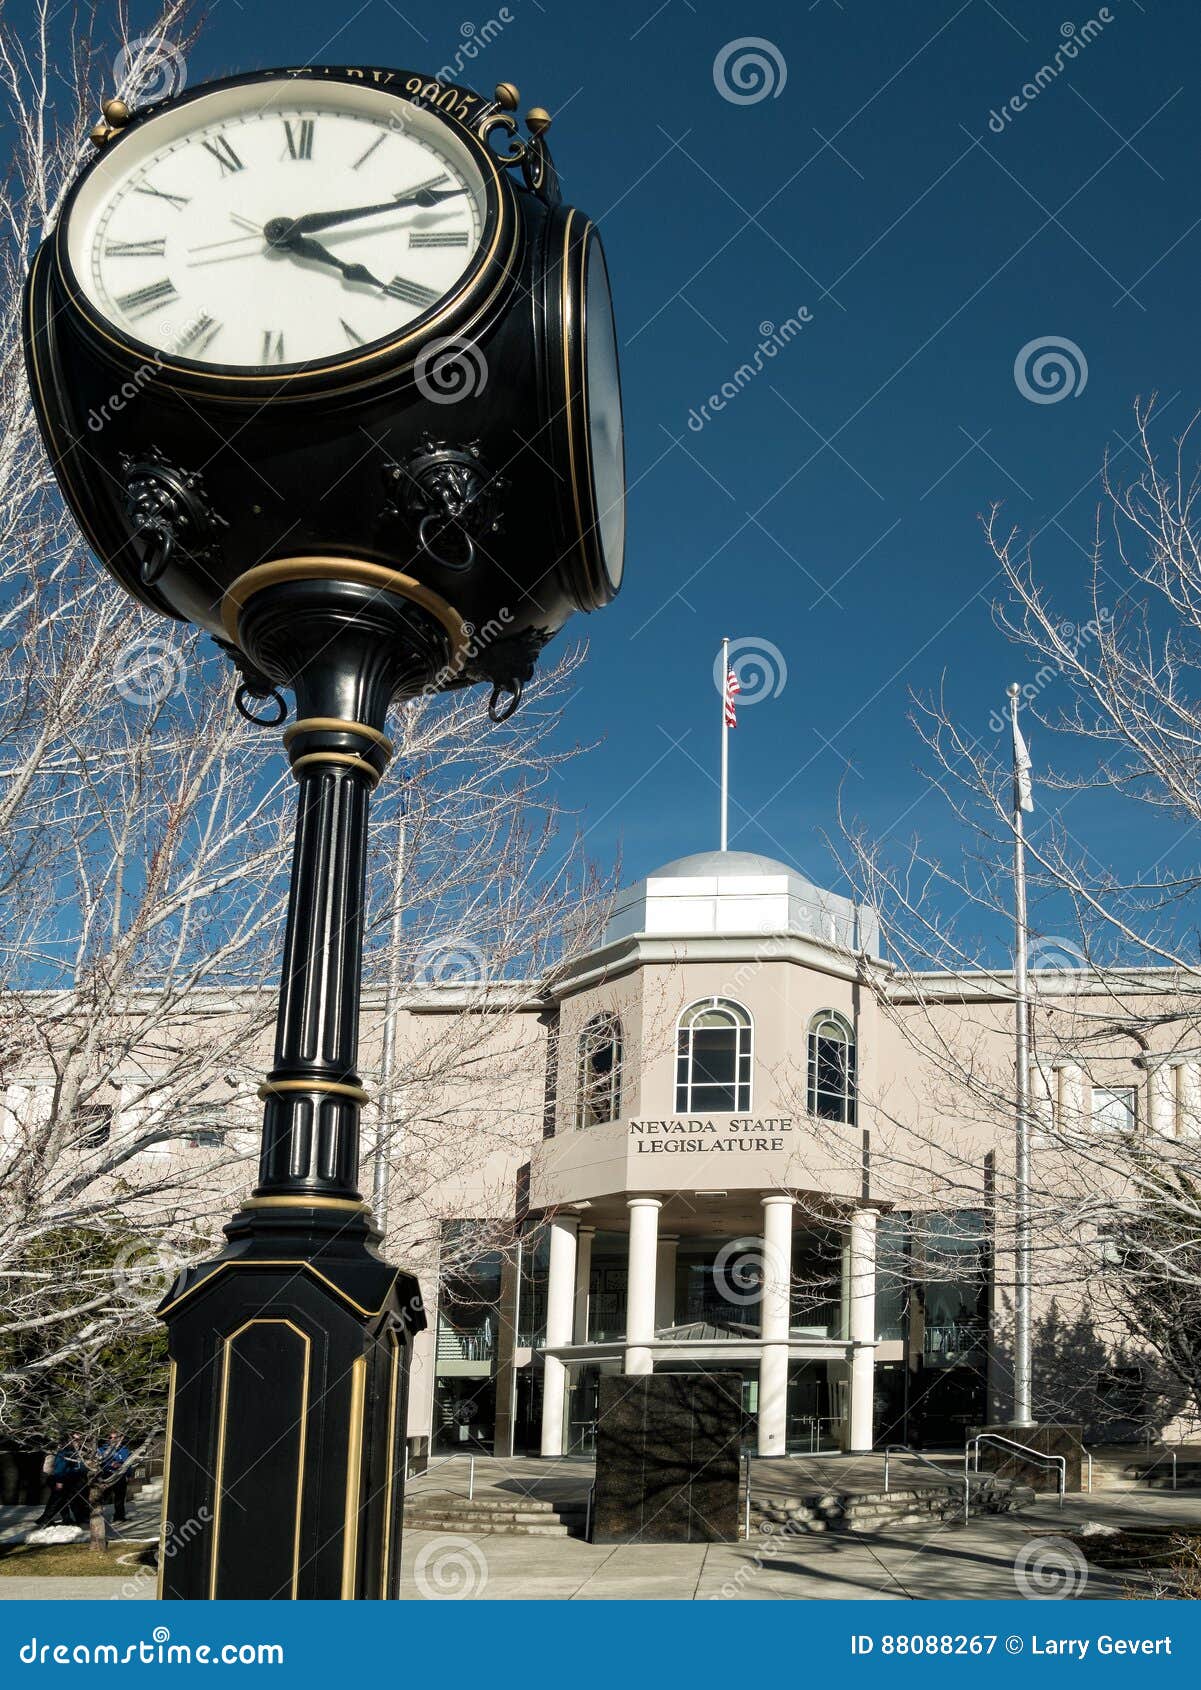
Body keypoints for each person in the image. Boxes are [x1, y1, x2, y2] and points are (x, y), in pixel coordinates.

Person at [34, 1434, 89, 1527]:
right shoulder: (64, 1452)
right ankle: (45, 1520)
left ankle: (79, 1518)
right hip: (61, 1479)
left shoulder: (78, 1452)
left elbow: (81, 1467)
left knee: (74, 1500)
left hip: (74, 1480)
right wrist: (59, 1481)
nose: (77, 1442)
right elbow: (59, 1468)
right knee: (57, 1501)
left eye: (79, 1440)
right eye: (74, 1440)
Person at [97, 1431, 131, 1524]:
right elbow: (100, 1462)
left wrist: (129, 1474)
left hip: (120, 1475)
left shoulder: (124, 1449)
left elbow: (129, 1463)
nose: (113, 1439)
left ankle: (119, 1516)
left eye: (115, 1437)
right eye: (110, 1438)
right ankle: (97, 1518)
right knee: (103, 1497)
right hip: (107, 1475)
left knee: (120, 1497)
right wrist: (110, 1464)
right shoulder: (102, 1449)